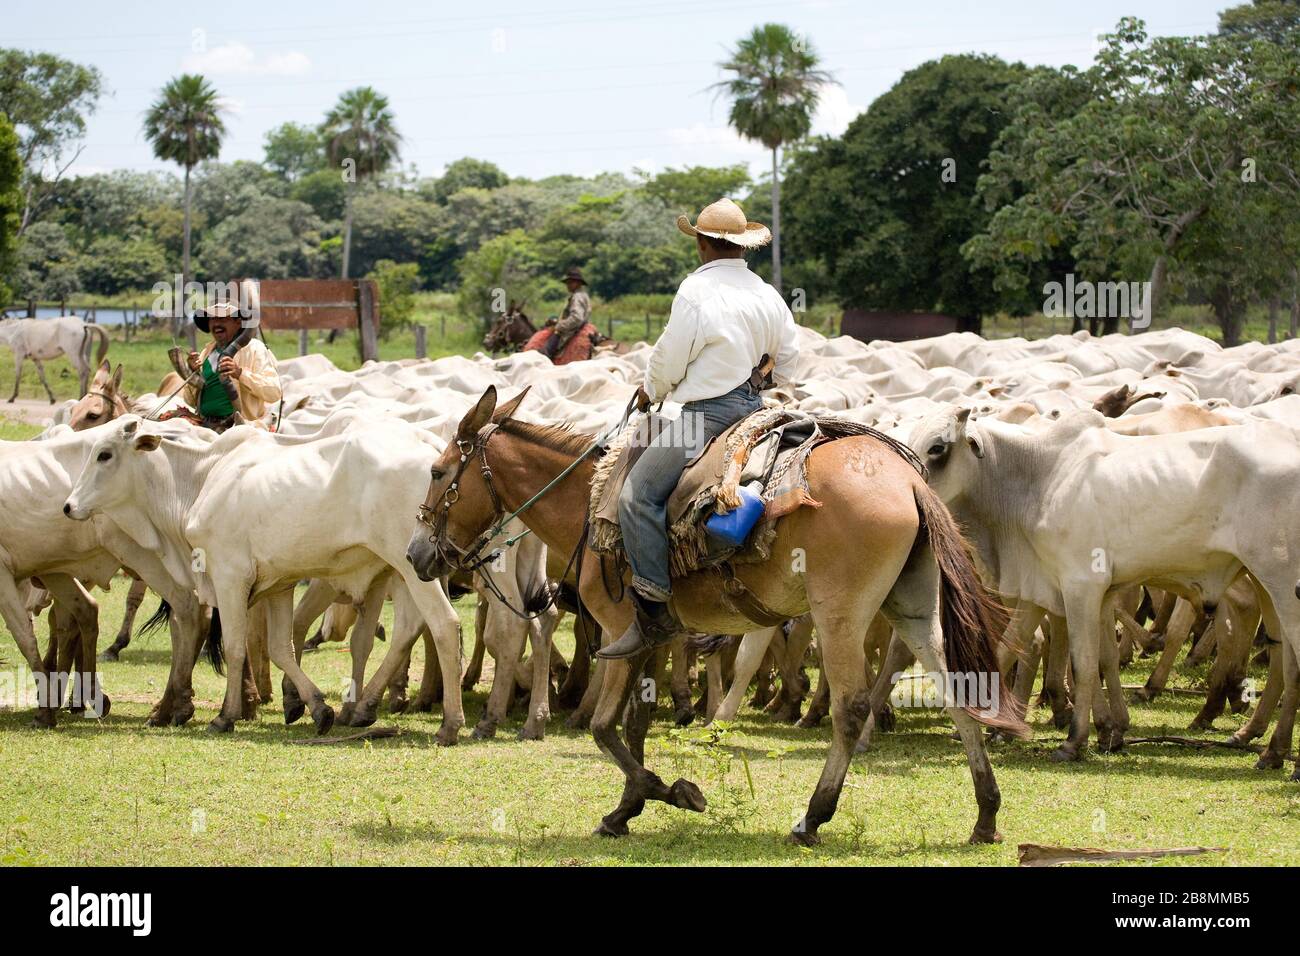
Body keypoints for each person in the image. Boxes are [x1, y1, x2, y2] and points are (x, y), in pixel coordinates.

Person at [598, 198, 799, 659]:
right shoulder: (768, 293)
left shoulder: (695, 290)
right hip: (758, 408)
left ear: (704, 244)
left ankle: (653, 608)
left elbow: (670, 356)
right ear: (741, 246)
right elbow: (789, 357)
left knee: (638, 494)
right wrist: (766, 378)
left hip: (704, 416)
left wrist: (652, 388)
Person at [180, 300, 282, 432]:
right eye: (212, 319)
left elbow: (273, 392)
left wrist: (239, 373)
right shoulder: (206, 352)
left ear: (238, 322)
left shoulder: (255, 349)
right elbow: (189, 400)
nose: (216, 324)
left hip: (242, 428)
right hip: (205, 425)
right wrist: (193, 373)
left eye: (222, 319)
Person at [544, 267, 592, 359]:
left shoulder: (577, 297)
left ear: (578, 283)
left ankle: (546, 360)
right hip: (579, 327)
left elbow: (577, 318)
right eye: (567, 283)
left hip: (572, 330)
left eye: (570, 282)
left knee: (546, 351)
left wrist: (559, 325)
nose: (568, 285)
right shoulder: (583, 295)